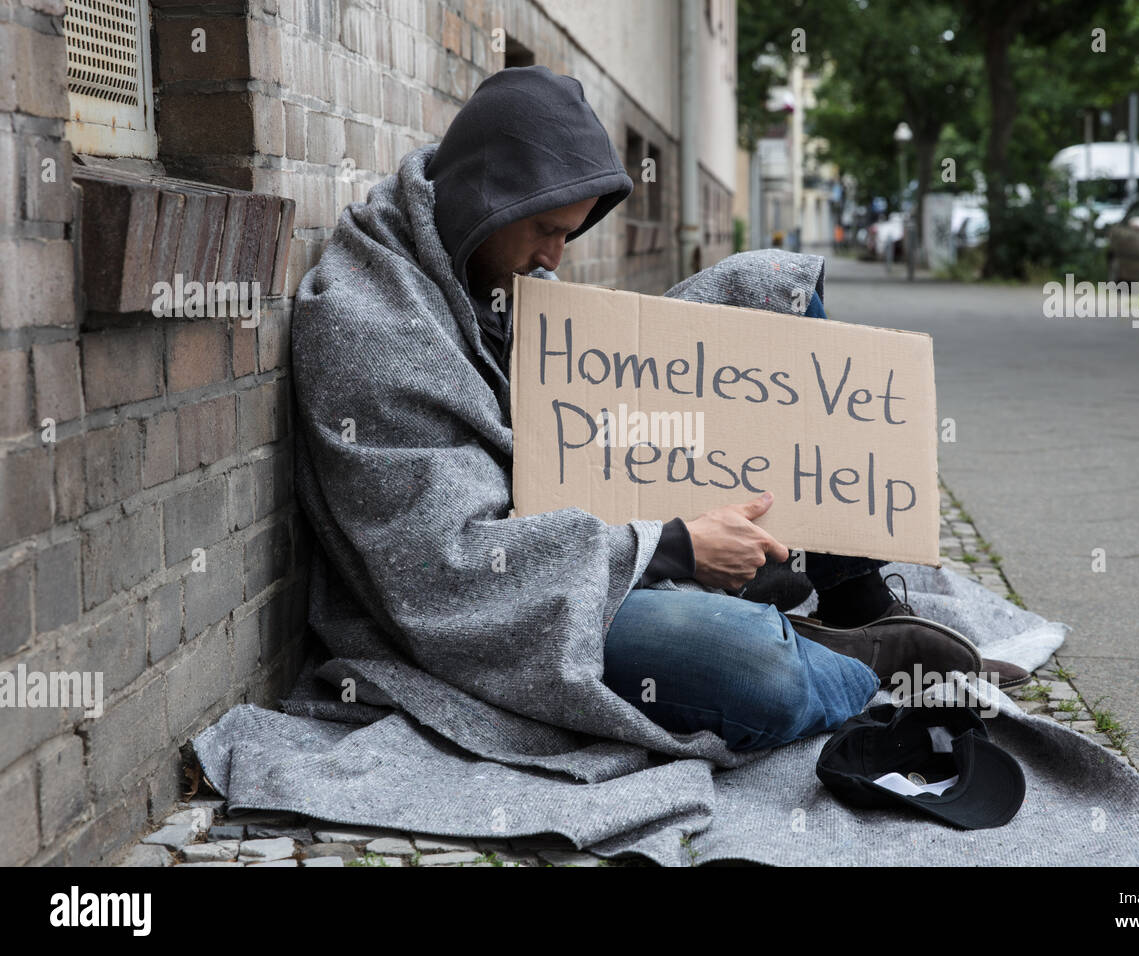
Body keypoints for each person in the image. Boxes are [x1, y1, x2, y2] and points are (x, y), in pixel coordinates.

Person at [291, 65, 1002, 758]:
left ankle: (852, 598)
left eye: (569, 235)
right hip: (521, 600)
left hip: (587, 518)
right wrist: (673, 545)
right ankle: (857, 664)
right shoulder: (370, 330)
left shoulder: (480, 258)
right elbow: (445, 568)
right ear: (487, 202)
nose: (552, 259)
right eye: (543, 228)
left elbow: (559, 418)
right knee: (754, 670)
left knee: (768, 286)